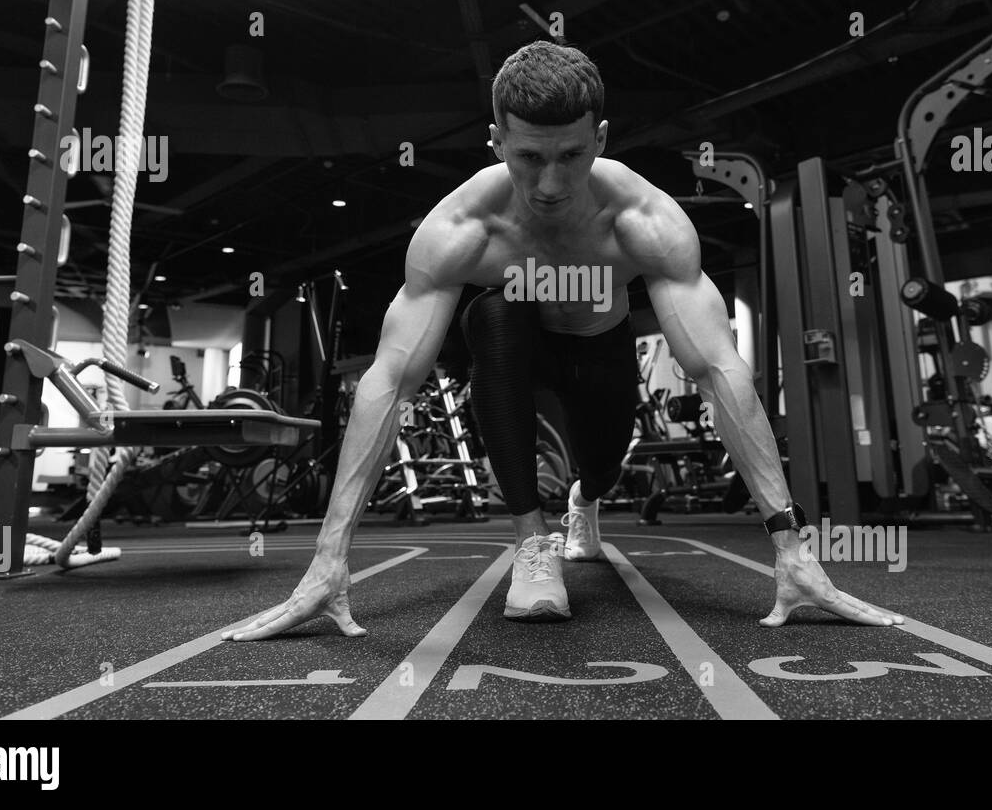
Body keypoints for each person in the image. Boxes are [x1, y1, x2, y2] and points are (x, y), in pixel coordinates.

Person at [223, 40, 903, 640]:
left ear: (600, 137)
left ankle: (584, 502)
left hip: (600, 351)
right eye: (528, 157)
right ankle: (531, 541)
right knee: (494, 315)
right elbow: (390, 380)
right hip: (514, 347)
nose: (549, 184)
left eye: (570, 155)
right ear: (496, 142)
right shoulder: (462, 228)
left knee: (600, 462)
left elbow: (718, 370)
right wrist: (329, 557)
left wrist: (791, 545)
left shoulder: (645, 220)